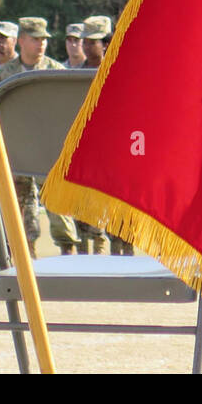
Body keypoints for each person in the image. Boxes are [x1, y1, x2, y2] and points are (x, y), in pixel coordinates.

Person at [0, 17, 68, 255]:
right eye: (36, 39)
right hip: (17, 148)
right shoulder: (4, 74)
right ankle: (25, 250)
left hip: (49, 148)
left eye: (44, 40)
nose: (42, 44)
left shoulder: (56, 71)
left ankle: (67, 248)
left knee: (56, 199)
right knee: (18, 201)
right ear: (22, 41)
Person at [72, 15, 117, 254]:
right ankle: (86, 250)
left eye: (94, 42)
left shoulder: (118, 70)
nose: (88, 46)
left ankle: (120, 251)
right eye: (85, 42)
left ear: (106, 43)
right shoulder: (73, 73)